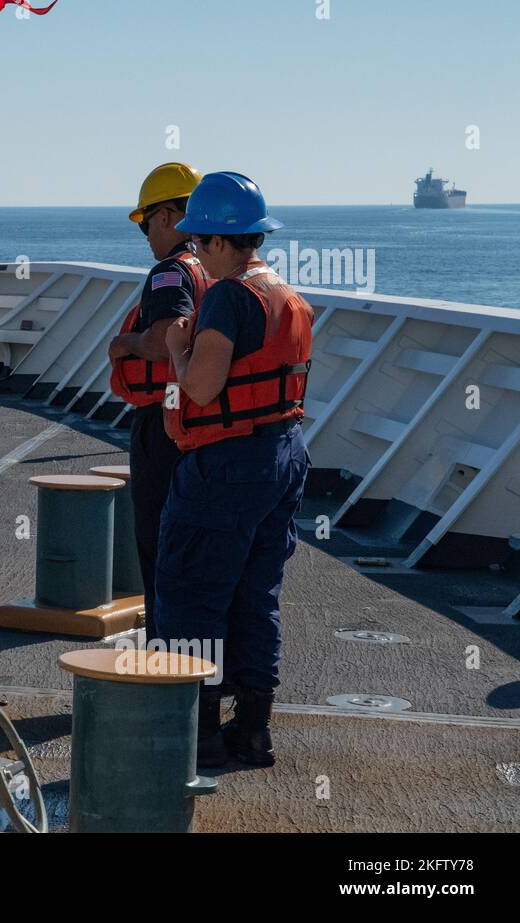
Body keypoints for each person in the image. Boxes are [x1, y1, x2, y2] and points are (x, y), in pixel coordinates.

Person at [155, 172, 313, 767]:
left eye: (198, 241)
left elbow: (200, 383)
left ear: (222, 242)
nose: (194, 250)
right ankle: (252, 729)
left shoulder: (225, 295)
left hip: (227, 465)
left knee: (193, 591)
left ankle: (194, 735)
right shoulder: (283, 294)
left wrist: (175, 346)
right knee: (256, 592)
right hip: (283, 453)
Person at [108, 162, 212, 641]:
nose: (145, 234)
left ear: (168, 217)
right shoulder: (215, 270)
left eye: (147, 222)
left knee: (156, 538)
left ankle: (163, 647)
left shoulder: (170, 272)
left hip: (164, 420)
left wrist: (123, 345)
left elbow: (164, 341)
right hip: (202, 421)